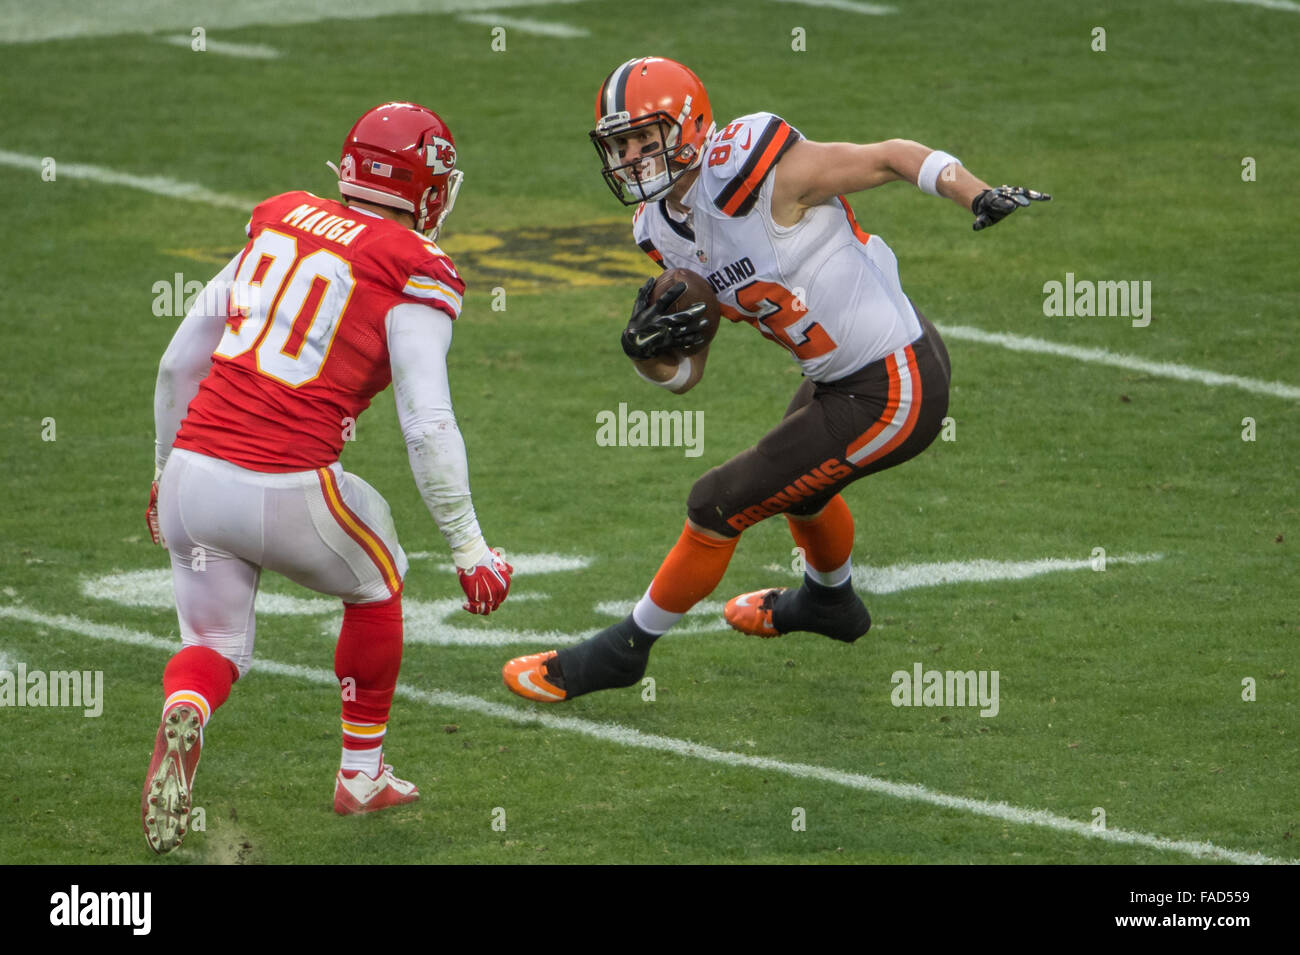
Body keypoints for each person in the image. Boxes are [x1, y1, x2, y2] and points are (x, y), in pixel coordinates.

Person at [502, 57, 1048, 703]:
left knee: (716, 502)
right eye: (618, 144)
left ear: (691, 127)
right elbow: (684, 376)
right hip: (841, 378)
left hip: (895, 381)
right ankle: (829, 603)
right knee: (801, 490)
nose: (630, 157)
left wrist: (976, 193)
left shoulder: (748, 170)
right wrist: (644, 352)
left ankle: (623, 651)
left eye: (644, 138)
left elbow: (892, 155)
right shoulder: (657, 231)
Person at [143, 102, 512, 853]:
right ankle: (361, 774)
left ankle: (187, 709)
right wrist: (471, 545)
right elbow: (427, 419)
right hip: (283, 483)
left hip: (192, 477)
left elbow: (179, 359)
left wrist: (161, 473)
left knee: (212, 640)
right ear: (430, 187)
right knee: (379, 578)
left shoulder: (280, 219)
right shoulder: (414, 265)